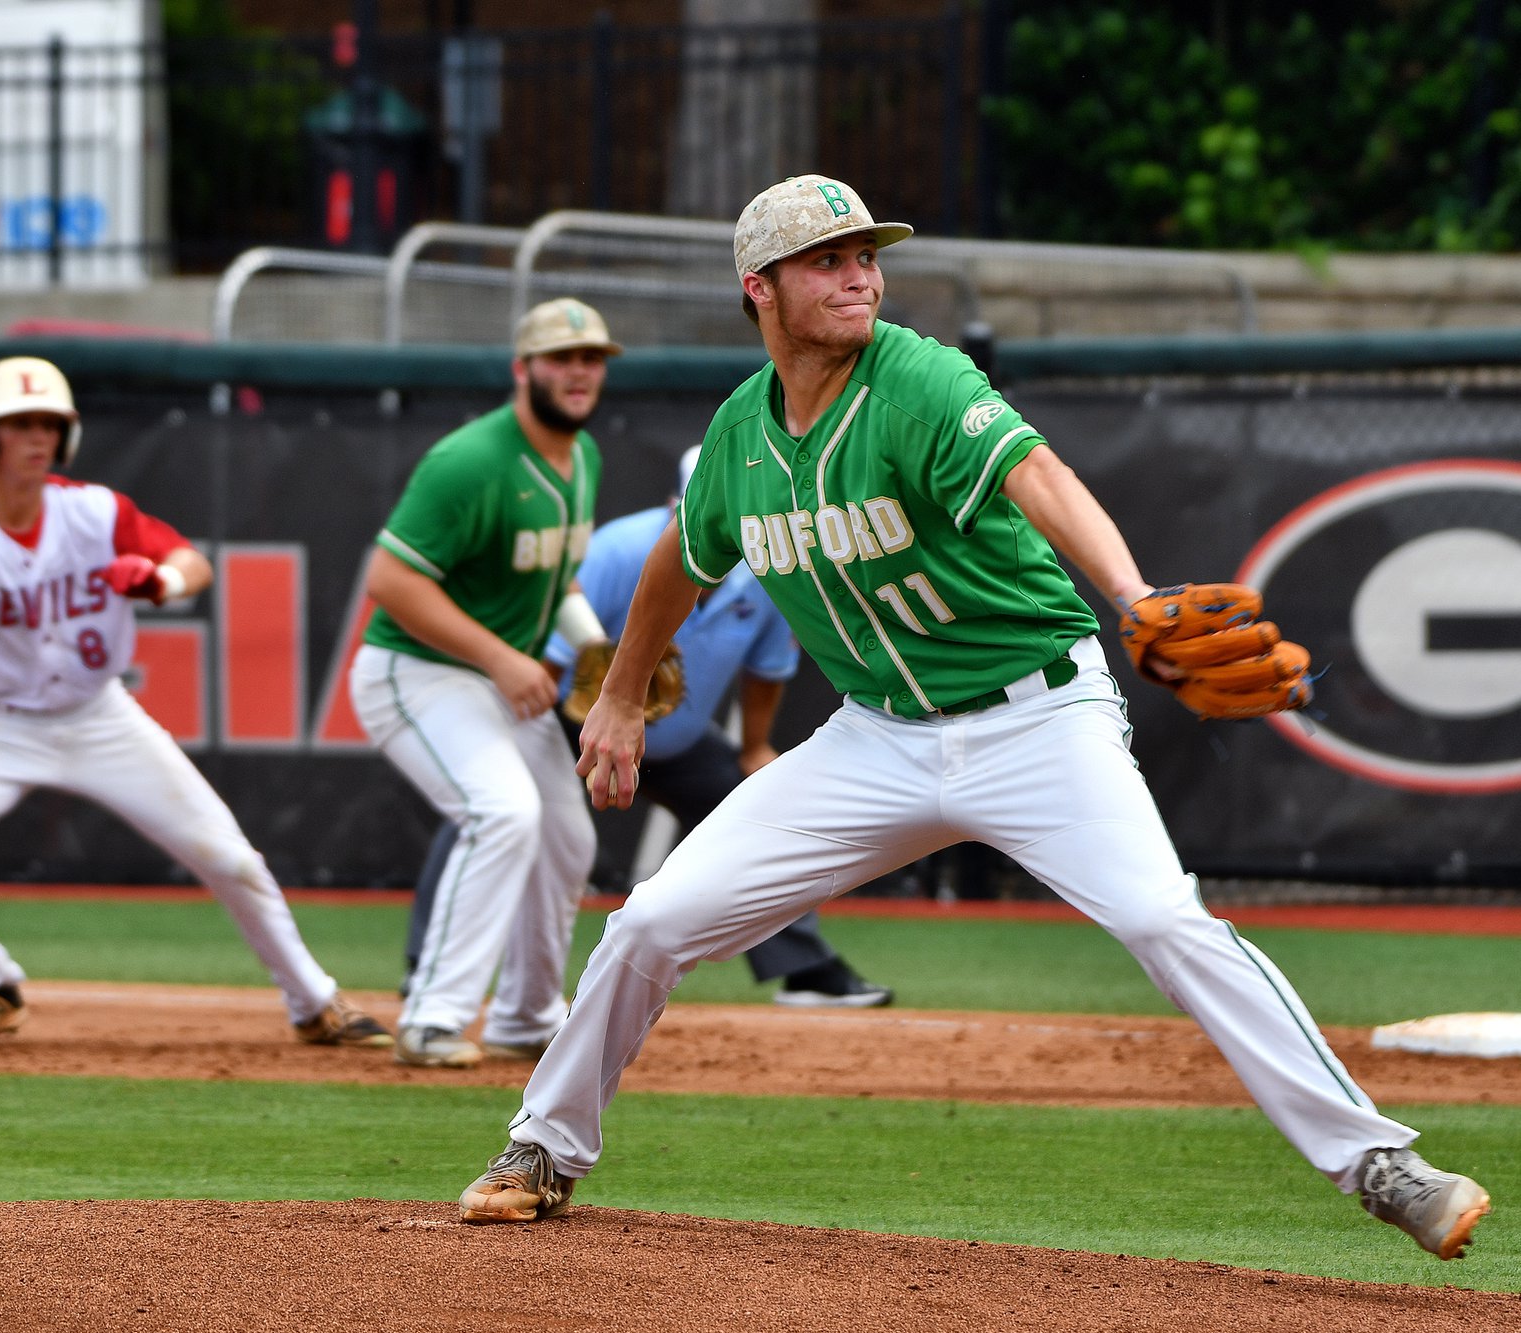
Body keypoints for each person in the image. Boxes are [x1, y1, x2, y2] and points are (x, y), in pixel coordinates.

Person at [454, 176, 1492, 1262]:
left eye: (866, 254)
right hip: (877, 738)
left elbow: (1038, 472)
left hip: (1036, 717)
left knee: (1162, 922)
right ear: (760, 288)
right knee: (651, 924)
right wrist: (619, 694)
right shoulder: (739, 439)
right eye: (827, 258)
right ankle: (542, 1148)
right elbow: (683, 553)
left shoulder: (918, 377)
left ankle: (1380, 1165)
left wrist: (1132, 599)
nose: (859, 273)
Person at [0, 356, 391, 1052]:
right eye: (20, 425)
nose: (38, 439)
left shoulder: (93, 511)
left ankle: (313, 1001)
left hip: (98, 715)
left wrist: (159, 582)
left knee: (228, 854)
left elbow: (191, 563)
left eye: (51, 425)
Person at [403, 445, 891, 1008]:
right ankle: (425, 965)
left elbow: (768, 669)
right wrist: (523, 732)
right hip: (569, 725)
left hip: (673, 740)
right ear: (675, 507)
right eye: (703, 510)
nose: (716, 525)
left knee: (753, 806)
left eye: (730, 513)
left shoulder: (769, 560)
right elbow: (550, 657)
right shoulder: (622, 550)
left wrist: (755, 745)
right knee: (497, 803)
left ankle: (804, 968)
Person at [350, 298, 619, 1069]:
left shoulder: (582, 457)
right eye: (562, 358)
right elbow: (389, 580)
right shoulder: (469, 461)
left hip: (502, 683)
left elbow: (558, 576)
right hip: (417, 672)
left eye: (592, 359)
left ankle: (526, 1015)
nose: (579, 372)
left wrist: (592, 647)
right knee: (501, 811)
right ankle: (432, 1018)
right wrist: (503, 657)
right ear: (522, 370)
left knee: (566, 838)